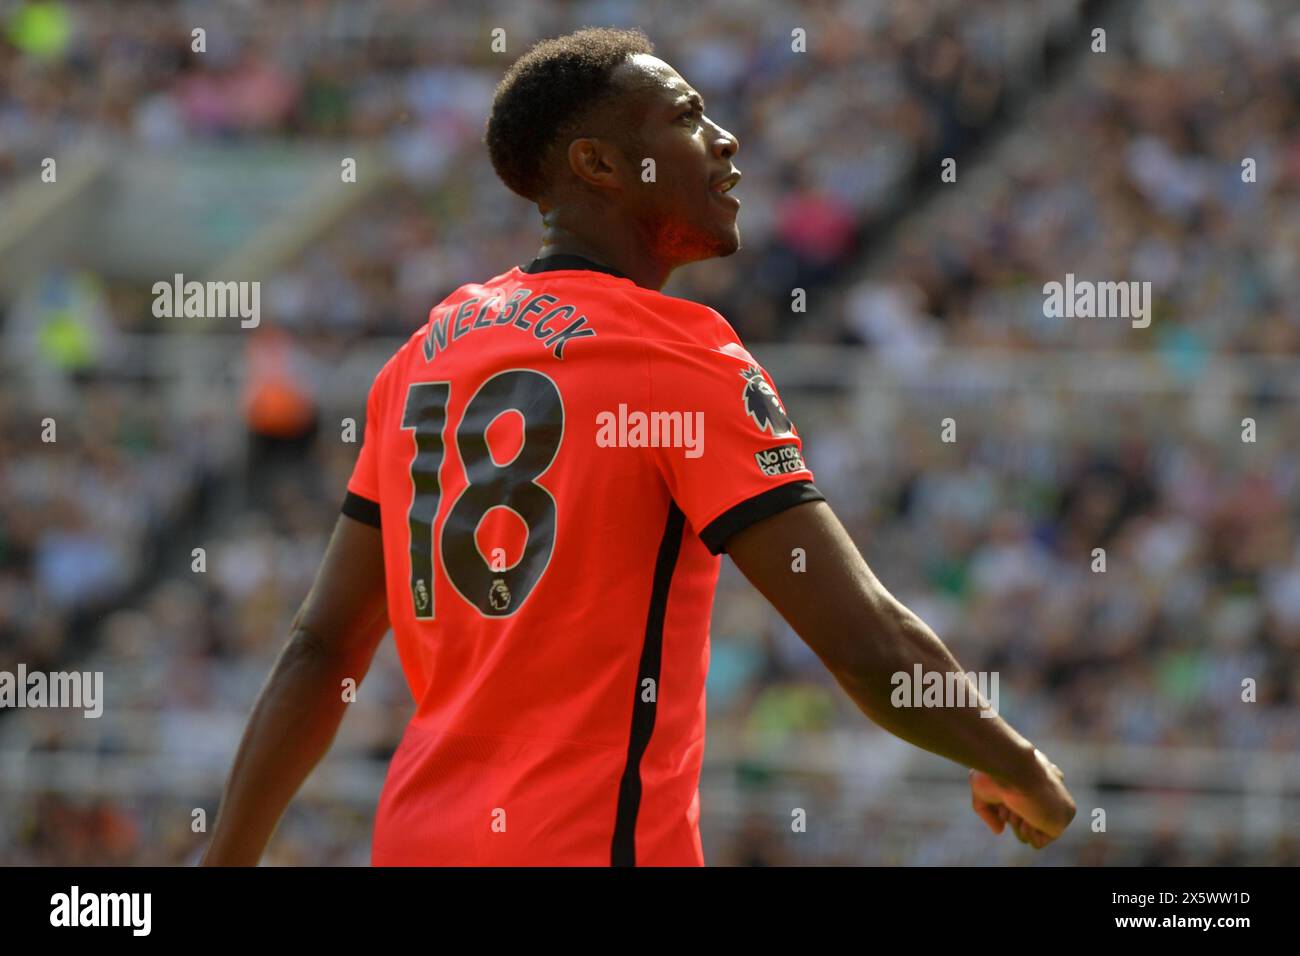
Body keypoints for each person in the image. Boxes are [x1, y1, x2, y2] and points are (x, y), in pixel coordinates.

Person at [203, 26, 1074, 867]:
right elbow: (866, 645)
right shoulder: (679, 353)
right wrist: (1017, 764)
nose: (726, 141)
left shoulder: (425, 356)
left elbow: (321, 649)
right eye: (688, 117)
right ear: (600, 164)